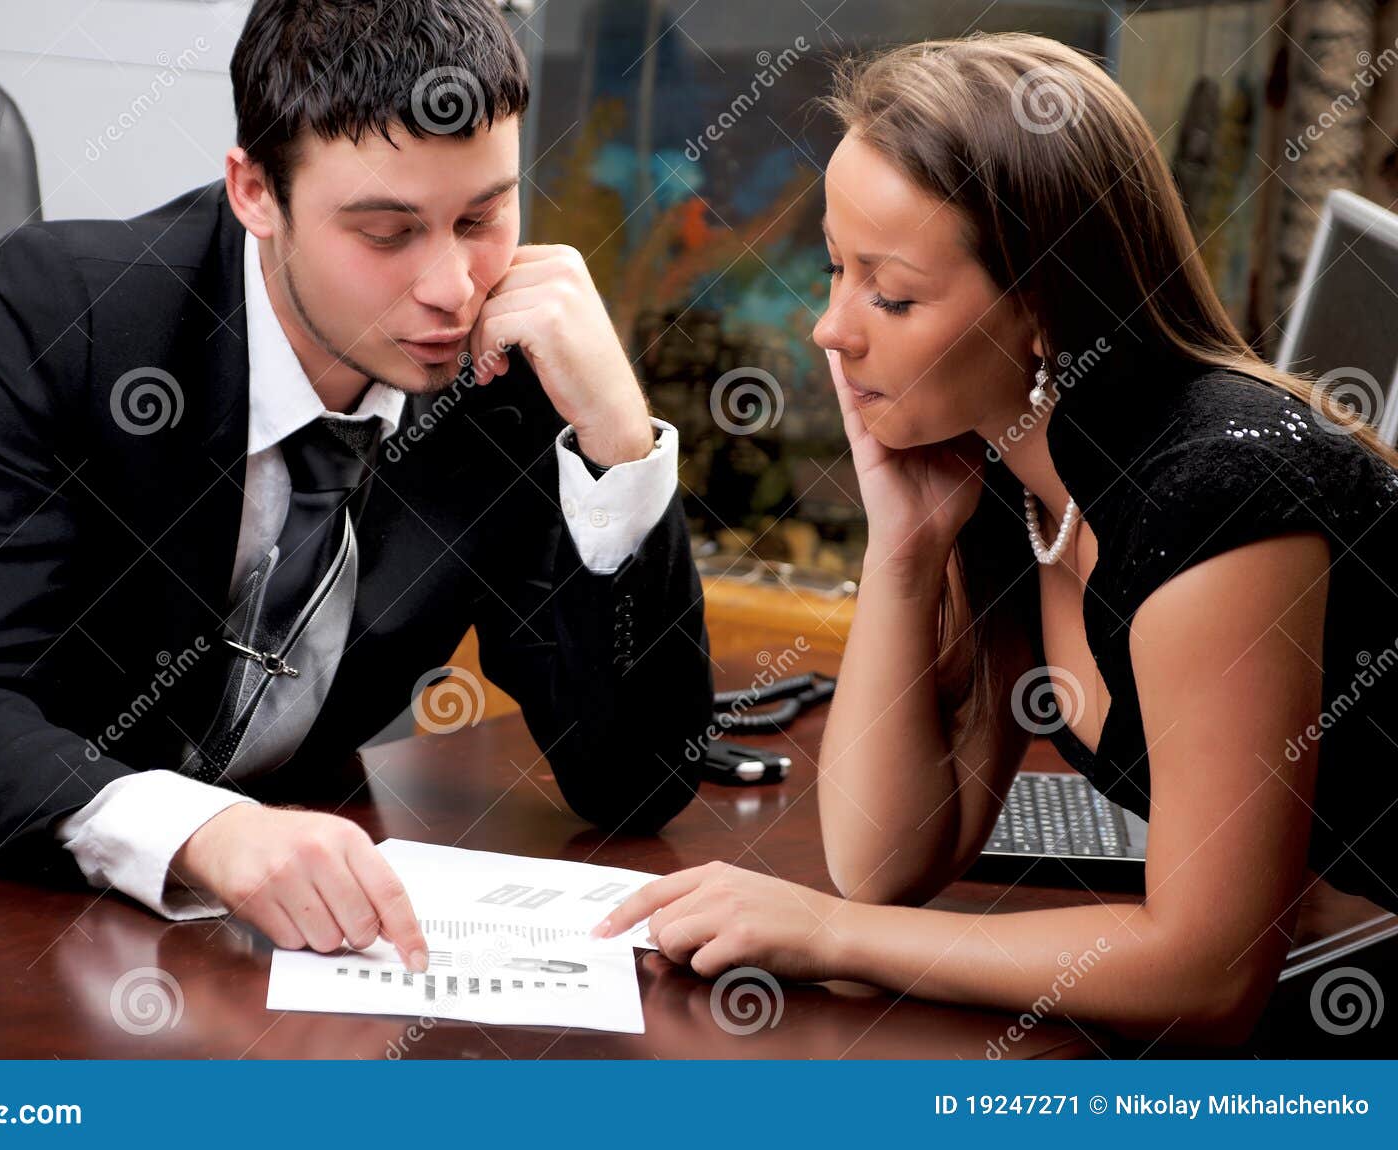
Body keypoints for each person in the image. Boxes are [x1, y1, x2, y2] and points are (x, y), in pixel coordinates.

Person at [0, 0, 712, 970]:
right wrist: (208, 832)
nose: (451, 285)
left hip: (233, 956)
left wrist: (617, 441)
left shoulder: (495, 372)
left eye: (482, 216)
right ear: (254, 191)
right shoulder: (63, 315)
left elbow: (634, 781)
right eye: (387, 231)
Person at [594, 32, 1398, 1045]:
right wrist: (903, 549)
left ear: (1041, 314)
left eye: (889, 294)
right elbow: (885, 861)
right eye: (834, 269)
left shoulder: (1223, 499)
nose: (830, 330)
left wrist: (831, 936)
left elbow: (1208, 969)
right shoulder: (1009, 476)